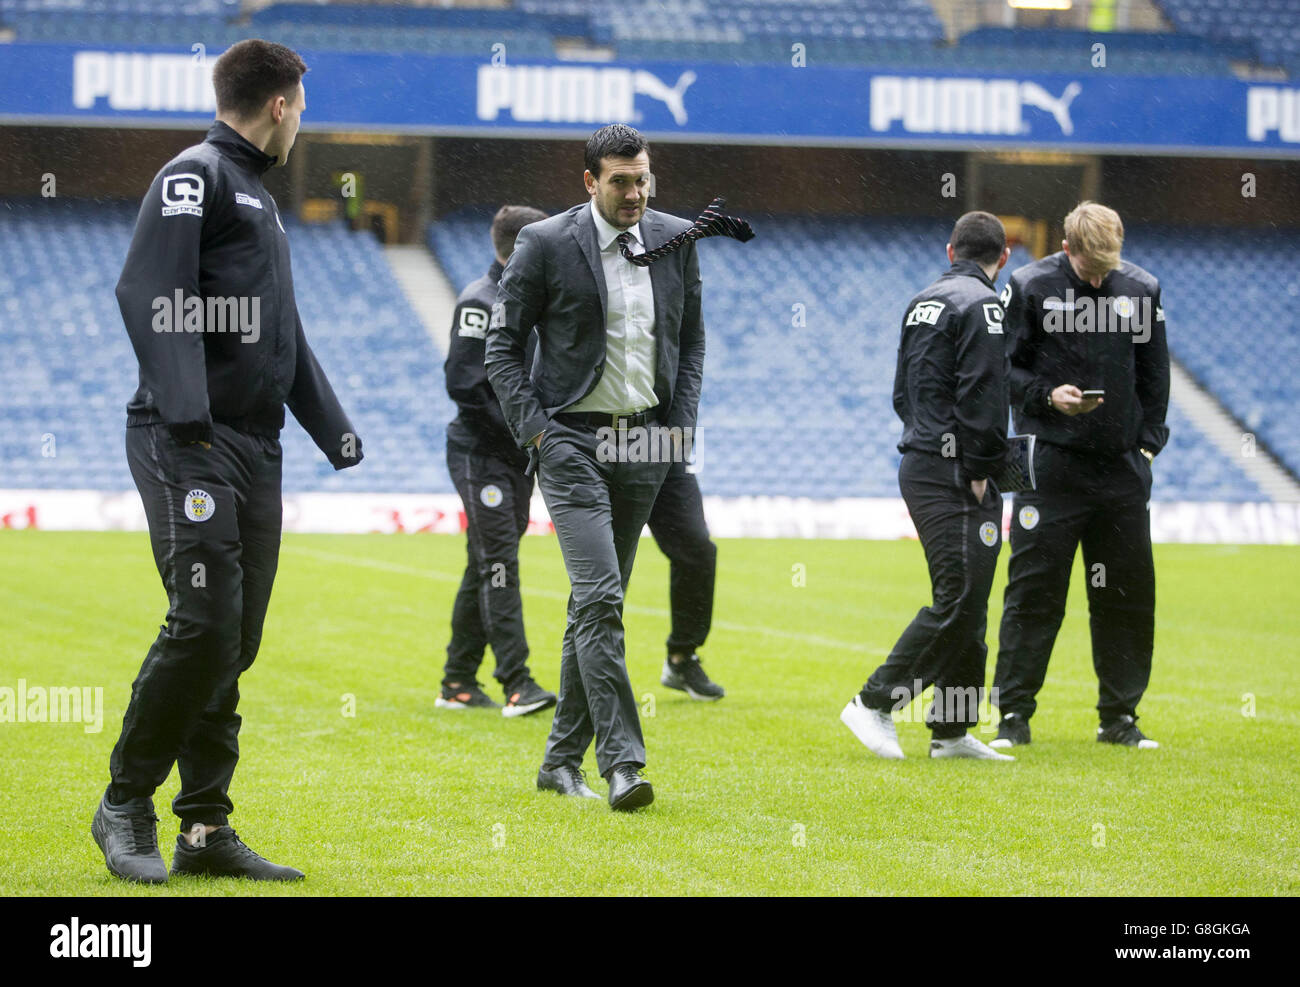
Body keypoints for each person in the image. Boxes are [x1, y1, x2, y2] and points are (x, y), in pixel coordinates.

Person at [93, 39, 362, 884]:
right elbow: (146, 291)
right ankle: (124, 802)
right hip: (190, 439)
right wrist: (186, 417)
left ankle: (205, 828)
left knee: (233, 639)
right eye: (302, 107)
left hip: (257, 447)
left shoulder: (260, 200)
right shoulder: (194, 175)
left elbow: (286, 338)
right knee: (204, 623)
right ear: (280, 104)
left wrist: (333, 428)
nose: (301, 122)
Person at [484, 124, 705, 810]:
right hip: (571, 442)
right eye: (619, 181)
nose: (635, 192)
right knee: (603, 596)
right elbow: (501, 347)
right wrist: (539, 434)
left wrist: (679, 430)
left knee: (593, 605)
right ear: (590, 182)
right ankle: (623, 764)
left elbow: (691, 341)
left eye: (643, 179)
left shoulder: (678, 237)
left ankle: (557, 762)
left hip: (645, 445)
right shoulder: (546, 243)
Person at [990, 201, 1168, 750]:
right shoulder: (1028, 285)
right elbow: (1001, 365)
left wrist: (1148, 447)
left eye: (1107, 270)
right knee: (1033, 593)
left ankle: (1119, 718)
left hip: (1120, 469)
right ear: (1067, 248)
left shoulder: (1141, 289)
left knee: (1127, 597)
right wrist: (1047, 395)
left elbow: (1154, 371)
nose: (1099, 278)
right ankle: (1013, 717)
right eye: (1091, 270)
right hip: (1047, 463)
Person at [840, 211, 1014, 761]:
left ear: (950, 251)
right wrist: (983, 467)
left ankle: (952, 729)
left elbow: (904, 391)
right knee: (961, 597)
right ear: (1003, 258)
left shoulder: (923, 301)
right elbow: (984, 396)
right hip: (959, 471)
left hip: (923, 459)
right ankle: (873, 702)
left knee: (969, 598)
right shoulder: (985, 304)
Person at [439, 204, 558, 717]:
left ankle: (457, 682)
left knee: (485, 562)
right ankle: (517, 682)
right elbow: (464, 386)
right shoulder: (478, 302)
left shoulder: (527, 301)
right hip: (480, 454)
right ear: (523, 246)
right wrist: (525, 433)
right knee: (499, 563)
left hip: (511, 457)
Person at [648, 463, 724, 701]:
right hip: (603, 447)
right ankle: (595, 674)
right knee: (609, 558)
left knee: (697, 550)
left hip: (662, 452)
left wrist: (679, 434)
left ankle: (681, 656)